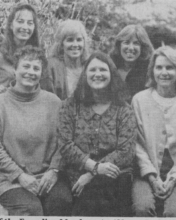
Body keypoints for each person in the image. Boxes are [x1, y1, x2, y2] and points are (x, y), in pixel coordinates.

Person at [0, 46, 72, 216]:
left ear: (41, 73)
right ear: (14, 69)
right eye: (26, 66)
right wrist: (19, 176)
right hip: (10, 179)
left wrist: (54, 170)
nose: (30, 72)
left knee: (61, 202)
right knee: (31, 209)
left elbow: (65, 141)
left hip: (47, 176)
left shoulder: (54, 102)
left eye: (36, 68)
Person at [57, 51, 136, 216]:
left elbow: (125, 151)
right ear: (85, 74)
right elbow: (65, 145)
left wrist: (92, 173)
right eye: (92, 70)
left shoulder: (124, 109)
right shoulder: (70, 106)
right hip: (77, 177)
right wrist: (94, 167)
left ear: (111, 74)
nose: (97, 74)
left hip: (115, 175)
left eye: (103, 70)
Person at [131, 46, 176, 217]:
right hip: (146, 174)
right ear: (152, 71)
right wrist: (152, 177)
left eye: (169, 67)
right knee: (142, 208)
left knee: (175, 212)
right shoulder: (139, 100)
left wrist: (175, 178)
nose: (164, 72)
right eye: (159, 67)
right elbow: (137, 145)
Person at [0, 3, 40, 101]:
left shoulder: (37, 56)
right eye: (20, 21)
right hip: (0, 111)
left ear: (34, 27)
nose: (25, 27)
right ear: (11, 25)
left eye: (30, 23)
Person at [40, 19, 89, 100]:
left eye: (79, 40)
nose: (75, 44)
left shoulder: (90, 66)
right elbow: (46, 100)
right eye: (70, 40)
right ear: (61, 44)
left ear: (84, 43)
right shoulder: (50, 66)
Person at [110, 24, 154, 98]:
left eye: (136, 43)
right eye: (126, 42)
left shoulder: (149, 72)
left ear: (142, 47)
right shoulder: (110, 66)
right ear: (119, 45)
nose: (131, 48)